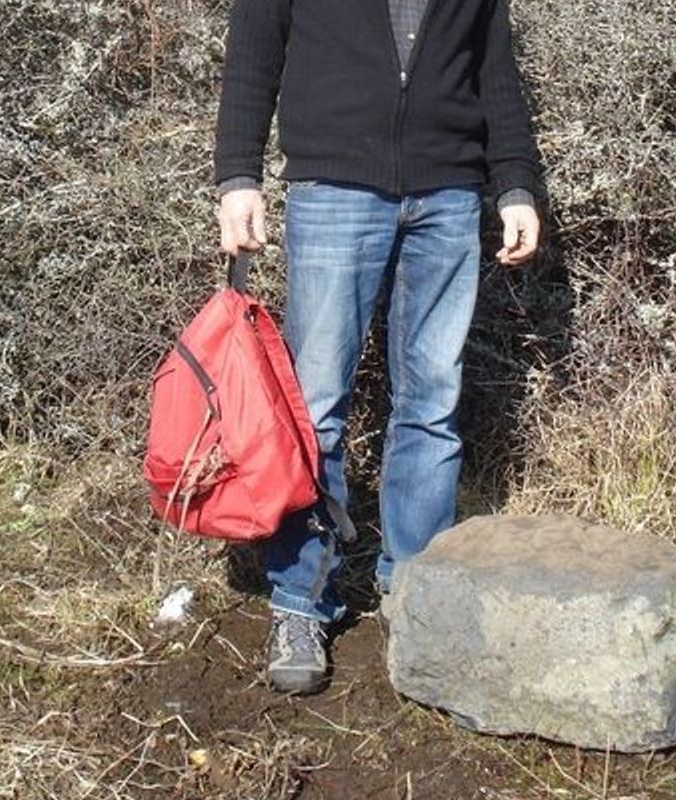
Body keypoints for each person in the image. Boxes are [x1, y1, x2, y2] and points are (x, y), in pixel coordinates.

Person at [212, 0, 543, 694]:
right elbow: (253, 49)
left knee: (432, 403)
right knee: (315, 409)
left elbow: (495, 69)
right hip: (334, 188)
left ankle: (416, 592)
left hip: (449, 193)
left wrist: (515, 182)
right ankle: (301, 601)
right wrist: (238, 175)